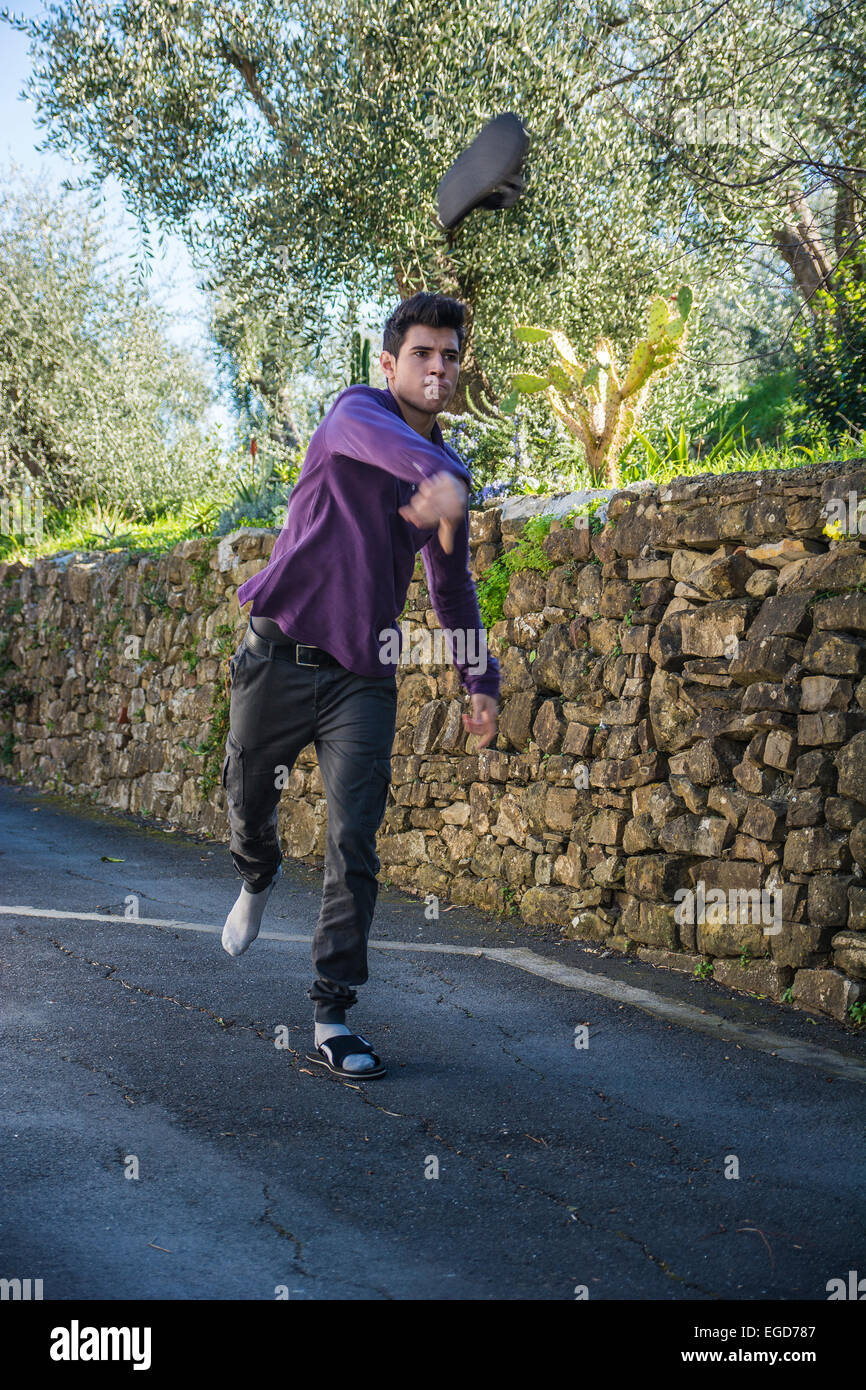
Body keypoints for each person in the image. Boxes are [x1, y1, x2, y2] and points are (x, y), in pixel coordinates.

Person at [220, 291, 501, 1079]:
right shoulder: (352, 414)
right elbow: (417, 462)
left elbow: (452, 589)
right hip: (277, 657)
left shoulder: (447, 480)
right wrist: (445, 479)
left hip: (363, 681)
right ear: (388, 363)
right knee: (247, 799)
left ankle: (332, 1012)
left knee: (353, 839)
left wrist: (478, 676)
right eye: (422, 353)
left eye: (450, 355)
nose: (438, 367)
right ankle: (256, 873)